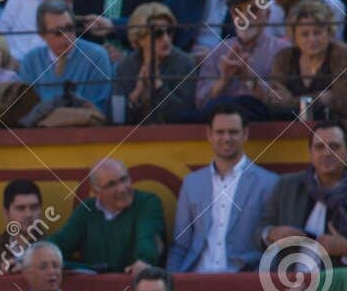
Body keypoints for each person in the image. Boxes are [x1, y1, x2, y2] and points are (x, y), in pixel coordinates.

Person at [167, 105, 278, 272]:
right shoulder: (192, 183)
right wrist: (172, 284)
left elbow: (273, 247)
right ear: (209, 135)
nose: (226, 138)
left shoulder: (269, 183)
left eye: (233, 132)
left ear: (245, 134)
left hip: (244, 281)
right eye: (220, 132)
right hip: (196, 278)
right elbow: (180, 246)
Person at [49, 157, 166, 272]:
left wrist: (144, 260)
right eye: (111, 185)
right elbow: (59, 244)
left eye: (124, 179)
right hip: (94, 289)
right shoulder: (86, 210)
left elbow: (147, 237)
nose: (121, 189)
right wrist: (37, 254)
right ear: (96, 192)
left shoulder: (147, 203)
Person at [259, 118, 347, 266]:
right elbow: (260, 230)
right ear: (310, 153)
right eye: (319, 147)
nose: (327, 153)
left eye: (334, 146)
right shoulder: (287, 185)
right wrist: (272, 233)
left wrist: (344, 247)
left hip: (339, 284)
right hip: (288, 280)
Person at [195, 0, 289, 114]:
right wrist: (224, 79)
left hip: (265, 126)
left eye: (254, 10)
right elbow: (200, 104)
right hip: (223, 127)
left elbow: (284, 104)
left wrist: (249, 80)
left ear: (267, 15)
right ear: (232, 16)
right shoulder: (217, 52)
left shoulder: (282, 51)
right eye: (238, 11)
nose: (245, 18)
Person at [18, 0, 112, 110]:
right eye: (58, 32)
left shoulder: (96, 56)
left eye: (69, 28)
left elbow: (98, 108)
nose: (66, 36)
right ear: (42, 35)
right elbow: (27, 111)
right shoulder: (30, 61)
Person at [112, 1, 198, 123]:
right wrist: (136, 94)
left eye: (169, 31)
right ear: (140, 39)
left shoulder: (185, 64)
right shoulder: (125, 67)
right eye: (158, 34)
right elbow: (116, 119)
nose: (166, 39)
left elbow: (184, 115)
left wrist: (159, 88)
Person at [268, 0, 347, 119]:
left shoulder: (342, 54)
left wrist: (291, 101)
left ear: (329, 31)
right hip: (290, 124)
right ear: (294, 36)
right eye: (305, 34)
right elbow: (275, 99)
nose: (312, 39)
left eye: (317, 32)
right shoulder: (284, 57)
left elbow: (341, 101)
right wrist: (318, 99)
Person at [0, 178, 46, 272]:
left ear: (40, 211)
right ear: (6, 213)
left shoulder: (52, 246)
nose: (28, 214)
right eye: (21, 208)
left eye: (34, 207)